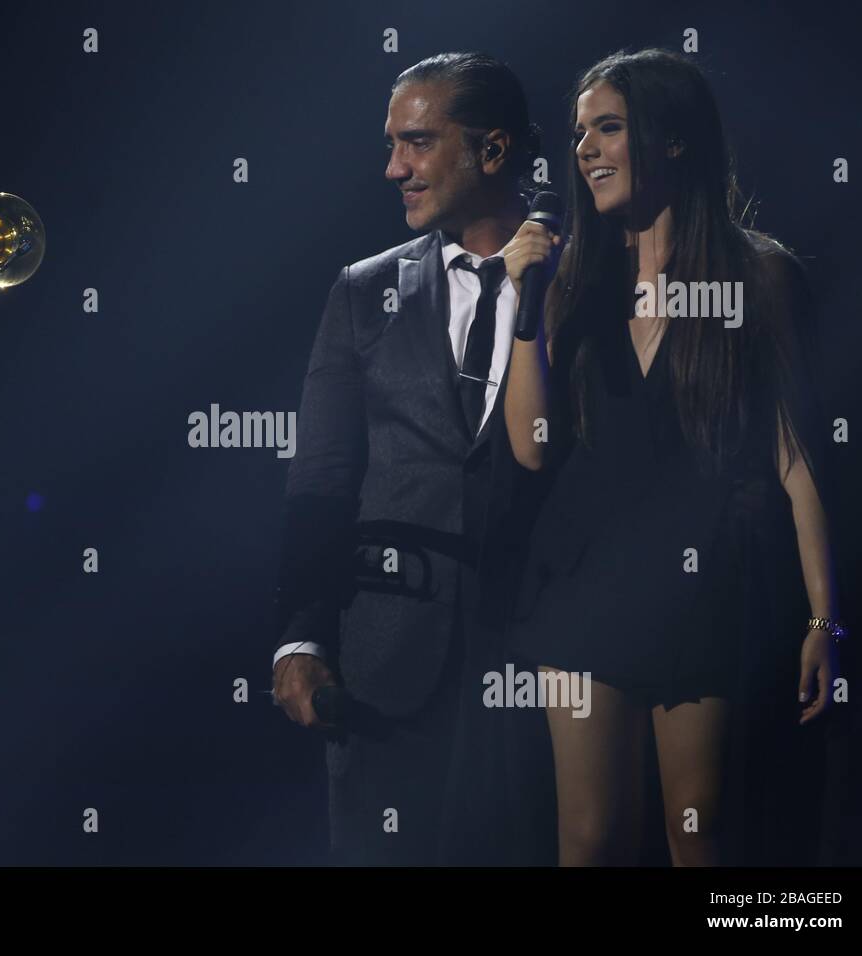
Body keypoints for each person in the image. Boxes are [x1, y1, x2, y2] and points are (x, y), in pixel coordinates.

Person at [501, 49, 843, 866]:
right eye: (580, 131)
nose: (584, 148)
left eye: (608, 127)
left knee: (698, 830)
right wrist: (525, 309)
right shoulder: (575, 278)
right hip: (585, 583)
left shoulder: (757, 275)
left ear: (674, 140)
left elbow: (799, 462)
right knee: (587, 841)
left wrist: (826, 621)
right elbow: (530, 446)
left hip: (703, 585)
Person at [271, 52, 556, 865]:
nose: (393, 168)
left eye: (417, 143)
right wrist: (301, 637)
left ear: (492, 151)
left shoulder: (582, 280)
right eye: (393, 144)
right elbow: (321, 478)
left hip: (548, 657)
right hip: (385, 660)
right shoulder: (363, 290)